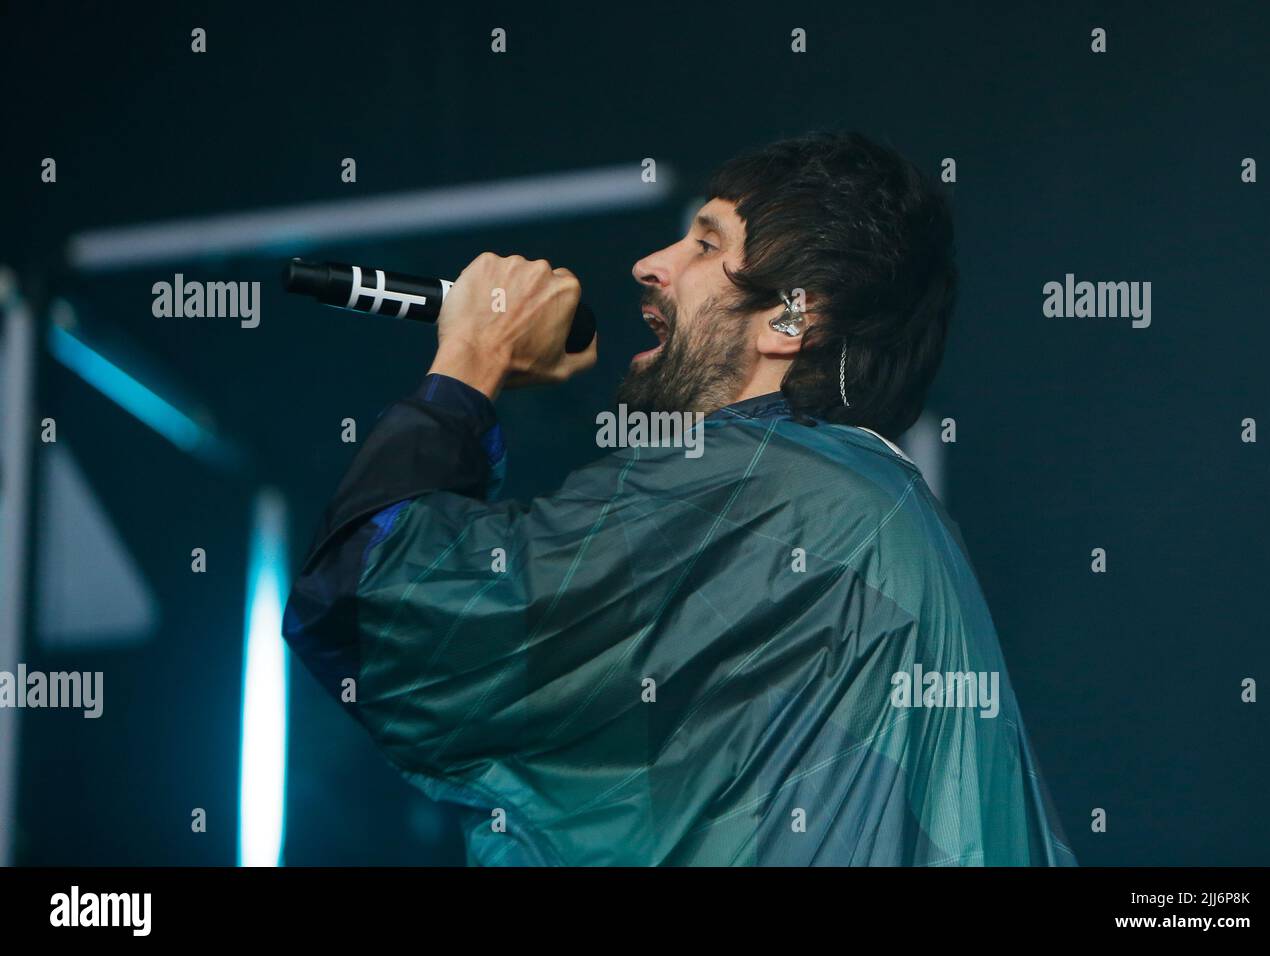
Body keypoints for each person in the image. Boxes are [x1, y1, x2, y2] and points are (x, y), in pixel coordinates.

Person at [283, 131, 1078, 866]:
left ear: (792, 319)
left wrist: (467, 362)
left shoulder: (757, 482)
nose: (649, 265)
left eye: (706, 243)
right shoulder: (859, 496)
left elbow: (367, 599)